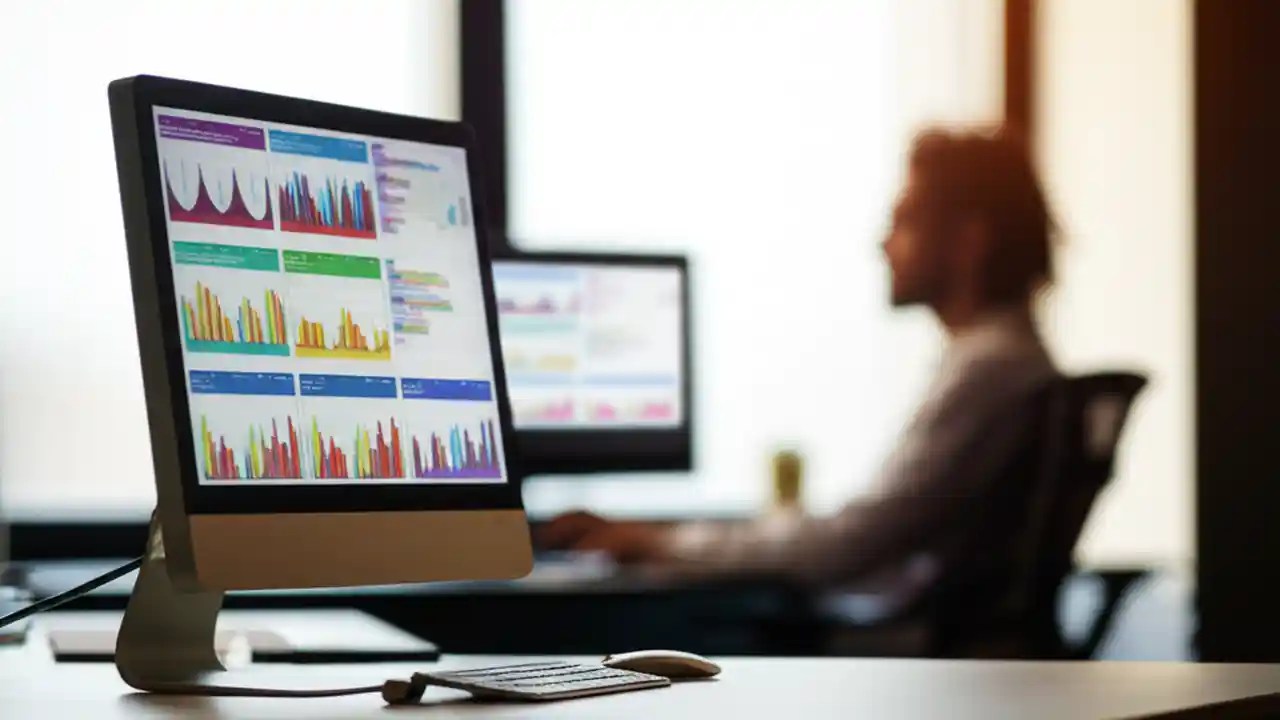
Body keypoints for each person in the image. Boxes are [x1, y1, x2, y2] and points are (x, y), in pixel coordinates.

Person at [541, 128, 1060, 603]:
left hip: (892, 645)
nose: (883, 244)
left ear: (970, 240)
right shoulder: (1009, 361)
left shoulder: (987, 369)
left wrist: (658, 543)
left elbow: (842, 546)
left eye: (905, 222)